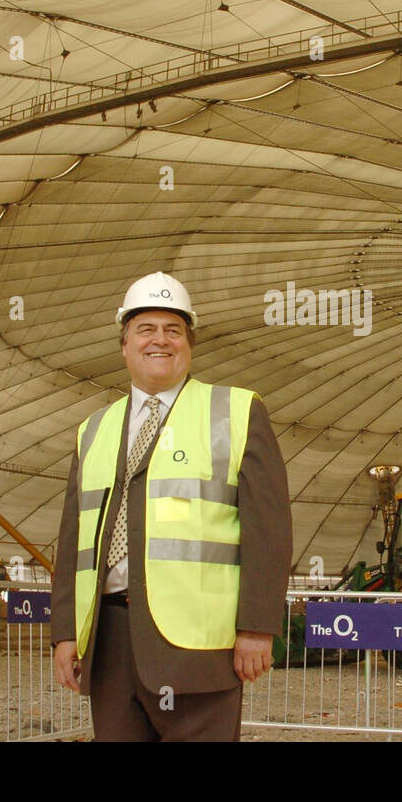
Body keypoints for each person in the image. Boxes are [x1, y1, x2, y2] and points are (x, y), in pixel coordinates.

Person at [51, 272, 292, 741]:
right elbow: (71, 542)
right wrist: (65, 633)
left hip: (199, 645)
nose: (159, 341)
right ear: (125, 345)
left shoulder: (238, 412)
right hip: (110, 639)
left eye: (172, 330)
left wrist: (257, 627)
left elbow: (269, 527)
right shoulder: (93, 430)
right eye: (145, 329)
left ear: (189, 344)